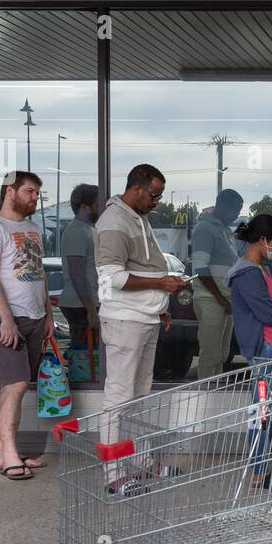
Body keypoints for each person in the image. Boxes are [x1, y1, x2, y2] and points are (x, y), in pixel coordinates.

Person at [0, 171, 51, 481]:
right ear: (10, 191)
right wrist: (6, 318)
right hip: (1, 316)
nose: (35, 198)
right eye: (30, 192)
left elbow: (39, 272)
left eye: (36, 193)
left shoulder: (32, 228)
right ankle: (10, 455)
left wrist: (47, 314)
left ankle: (1, 453)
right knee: (17, 383)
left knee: (12, 384)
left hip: (34, 316)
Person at [96, 164, 187, 417]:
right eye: (154, 195)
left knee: (137, 392)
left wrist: (160, 306)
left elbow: (142, 268)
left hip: (143, 316)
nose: (157, 201)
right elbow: (112, 277)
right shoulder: (115, 221)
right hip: (125, 319)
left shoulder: (138, 218)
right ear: (136, 189)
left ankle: (132, 456)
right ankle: (114, 457)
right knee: (120, 394)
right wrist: (160, 285)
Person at [227, 214, 272, 482]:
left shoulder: (262, 269)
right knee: (262, 411)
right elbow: (266, 312)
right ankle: (259, 470)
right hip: (265, 349)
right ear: (262, 241)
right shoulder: (245, 274)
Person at [190, 189, 244, 377]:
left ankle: (216, 393)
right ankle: (205, 392)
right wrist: (219, 298)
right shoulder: (205, 228)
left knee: (222, 353)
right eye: (235, 210)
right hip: (211, 299)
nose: (236, 214)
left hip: (225, 300)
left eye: (239, 210)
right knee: (211, 352)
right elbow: (200, 268)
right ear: (222, 205)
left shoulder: (223, 229)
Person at [58, 183, 103, 374]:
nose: (102, 208)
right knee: (82, 354)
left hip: (88, 302)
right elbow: (77, 274)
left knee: (89, 353)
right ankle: (82, 391)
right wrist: (91, 309)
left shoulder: (89, 229)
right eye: (98, 203)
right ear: (84, 206)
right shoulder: (77, 231)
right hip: (79, 304)